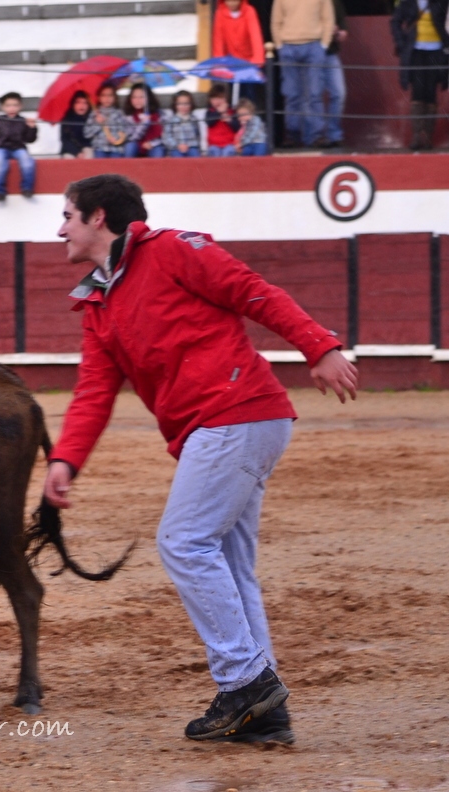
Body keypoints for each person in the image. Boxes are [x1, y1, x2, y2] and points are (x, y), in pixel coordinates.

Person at [45, 174, 358, 744]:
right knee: (230, 567)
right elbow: (94, 391)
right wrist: (66, 459)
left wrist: (320, 346)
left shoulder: (171, 250)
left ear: (97, 217)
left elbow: (253, 291)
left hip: (236, 414)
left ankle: (245, 683)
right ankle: (264, 714)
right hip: (224, 425)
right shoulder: (98, 302)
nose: (59, 228)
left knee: (184, 541)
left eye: (67, 215)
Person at [272, 0, 335, 147]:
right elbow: (276, 21)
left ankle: (317, 136)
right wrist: (279, 45)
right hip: (288, 46)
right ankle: (292, 135)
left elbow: (328, 19)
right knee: (291, 94)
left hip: (314, 45)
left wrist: (324, 44)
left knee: (315, 92)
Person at [392, 0, 449, 150]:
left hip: (436, 52)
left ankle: (427, 137)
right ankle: (417, 136)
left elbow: (446, 23)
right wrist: (402, 44)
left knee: (431, 94)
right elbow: (395, 21)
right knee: (418, 92)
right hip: (415, 52)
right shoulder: (408, 2)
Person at [0, 91, 39, 202]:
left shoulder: (22, 121)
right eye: (8, 105)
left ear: (20, 106)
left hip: (18, 148)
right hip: (0, 148)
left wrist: (32, 128)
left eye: (15, 105)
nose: (12, 108)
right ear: (3, 107)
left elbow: (30, 139)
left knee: (27, 162)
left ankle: (27, 188)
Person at [320, 0, 348, 148]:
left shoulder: (335, 3)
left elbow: (343, 31)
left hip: (331, 53)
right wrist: (323, 29)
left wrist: (339, 32)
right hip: (312, 52)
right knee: (313, 95)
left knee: (339, 93)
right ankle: (316, 136)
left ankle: (333, 135)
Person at [85, 84, 129, 158]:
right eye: (104, 95)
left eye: (110, 95)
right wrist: (97, 124)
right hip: (99, 148)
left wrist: (115, 138)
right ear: (99, 97)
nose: (107, 98)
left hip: (116, 148)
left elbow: (125, 131)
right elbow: (87, 134)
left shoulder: (119, 113)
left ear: (114, 97)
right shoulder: (94, 113)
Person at [122, 83, 164, 158]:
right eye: (134, 97)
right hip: (137, 144)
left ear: (148, 98)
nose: (137, 100)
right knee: (130, 147)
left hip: (153, 145)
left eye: (141, 97)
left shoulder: (158, 115)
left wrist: (151, 143)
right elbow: (131, 138)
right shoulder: (128, 117)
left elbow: (162, 136)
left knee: (158, 150)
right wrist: (143, 124)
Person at [161, 90, 204, 157]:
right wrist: (177, 145)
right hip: (176, 148)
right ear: (175, 105)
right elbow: (166, 137)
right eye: (180, 104)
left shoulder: (194, 119)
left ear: (191, 105)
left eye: (186, 103)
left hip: (192, 147)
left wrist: (191, 146)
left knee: (196, 157)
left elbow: (197, 136)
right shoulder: (171, 120)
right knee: (178, 159)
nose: (183, 106)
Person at [204, 85, 240, 156]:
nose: (217, 101)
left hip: (229, 144)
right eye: (214, 98)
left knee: (228, 152)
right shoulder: (210, 112)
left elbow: (237, 127)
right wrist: (218, 112)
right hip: (214, 145)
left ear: (226, 99)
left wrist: (230, 120)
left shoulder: (232, 112)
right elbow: (209, 122)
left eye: (220, 98)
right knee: (214, 152)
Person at [59, 90, 94, 159]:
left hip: (87, 148)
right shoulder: (66, 119)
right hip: (70, 150)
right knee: (68, 159)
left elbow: (92, 139)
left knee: (89, 155)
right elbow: (65, 140)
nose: (82, 106)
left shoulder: (92, 118)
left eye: (85, 103)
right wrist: (77, 152)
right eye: (78, 102)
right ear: (73, 104)